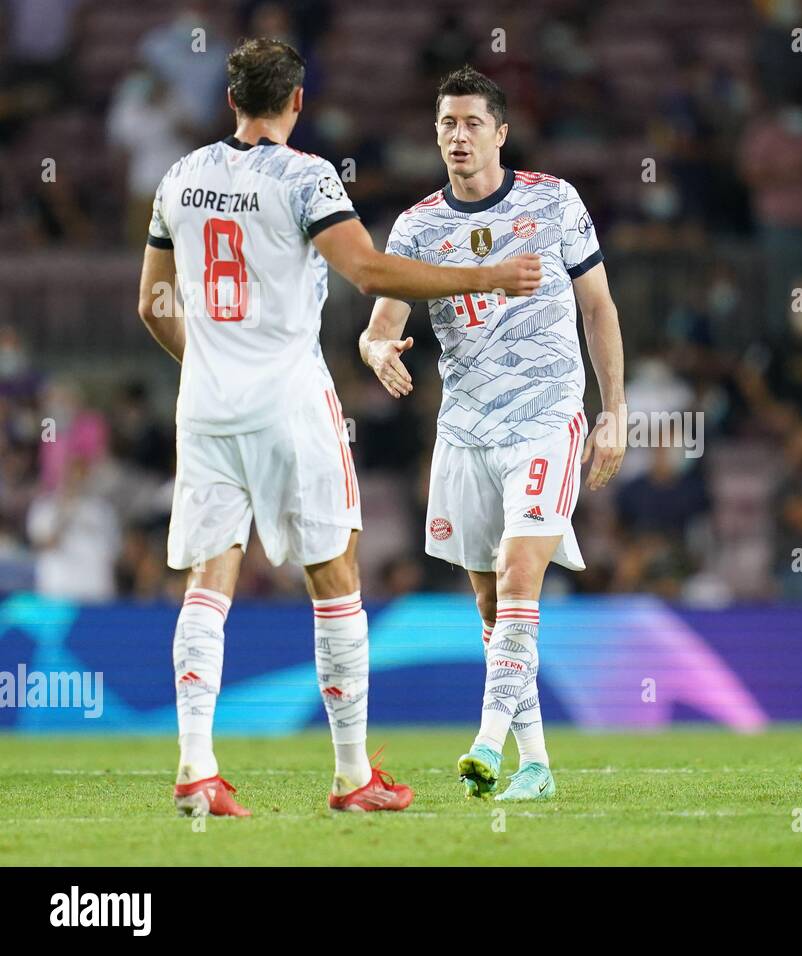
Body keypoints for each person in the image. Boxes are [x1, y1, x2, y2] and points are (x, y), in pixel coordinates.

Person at [136, 39, 542, 817]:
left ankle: (195, 768)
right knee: (333, 574)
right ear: (297, 101)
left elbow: (153, 303)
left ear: (230, 100)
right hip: (289, 400)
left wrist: (209, 361)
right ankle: (352, 775)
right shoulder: (305, 176)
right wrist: (486, 275)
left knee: (209, 579)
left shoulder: (179, 177)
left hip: (206, 404)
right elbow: (370, 272)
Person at [358, 66, 626, 801]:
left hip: (545, 417)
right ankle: (535, 765)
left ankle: (484, 742)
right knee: (490, 604)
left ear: (501, 133)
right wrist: (378, 352)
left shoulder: (554, 201)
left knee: (518, 574)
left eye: (473, 123)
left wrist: (614, 410)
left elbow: (598, 308)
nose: (459, 136)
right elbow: (378, 327)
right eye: (447, 123)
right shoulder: (416, 228)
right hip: (466, 429)